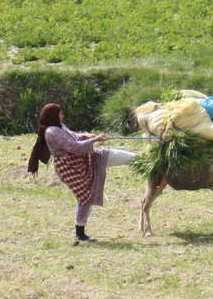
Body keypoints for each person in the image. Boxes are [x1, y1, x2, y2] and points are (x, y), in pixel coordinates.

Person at [27, 103, 135, 242]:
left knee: (110, 155)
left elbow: (74, 137)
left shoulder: (59, 127)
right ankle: (80, 234)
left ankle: (139, 160)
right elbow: (74, 147)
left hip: (82, 160)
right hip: (70, 167)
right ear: (53, 115)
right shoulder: (52, 131)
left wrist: (85, 136)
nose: (62, 115)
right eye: (60, 113)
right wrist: (95, 139)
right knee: (85, 197)